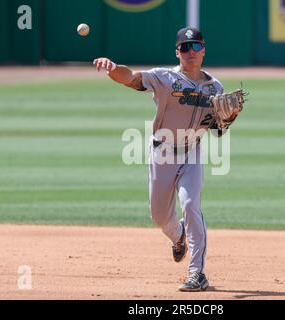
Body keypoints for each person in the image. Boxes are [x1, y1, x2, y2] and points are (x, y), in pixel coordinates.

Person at [94, 27, 224, 292]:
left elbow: (218, 128)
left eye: (196, 46)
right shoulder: (164, 77)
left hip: (192, 152)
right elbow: (131, 78)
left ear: (204, 50)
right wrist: (113, 69)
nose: (191, 52)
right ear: (177, 52)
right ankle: (178, 237)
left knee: (190, 205)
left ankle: (197, 273)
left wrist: (228, 119)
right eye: (185, 47)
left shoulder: (215, 87)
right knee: (158, 215)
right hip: (162, 152)